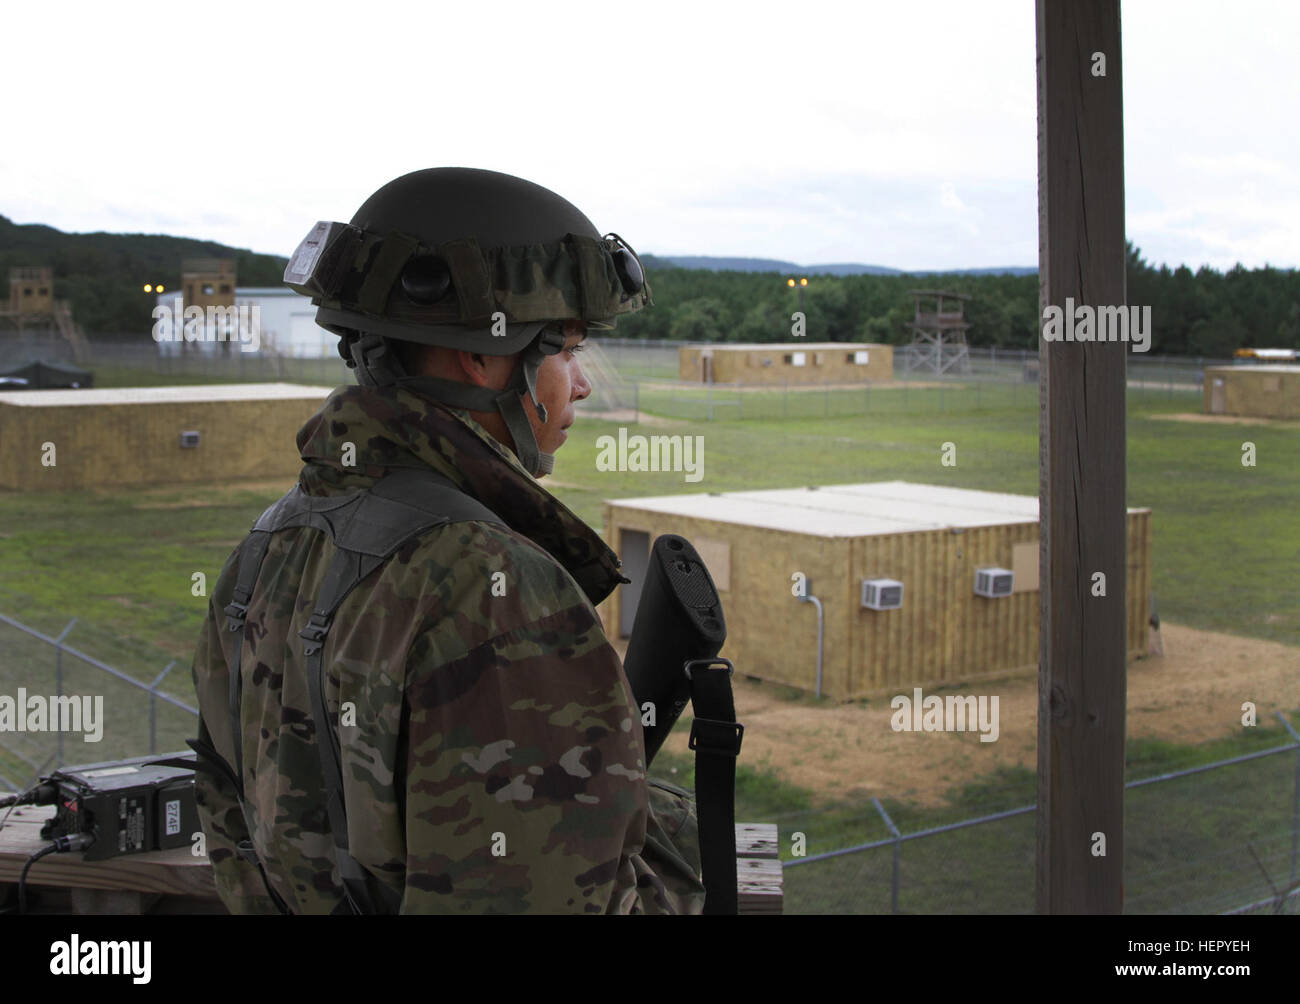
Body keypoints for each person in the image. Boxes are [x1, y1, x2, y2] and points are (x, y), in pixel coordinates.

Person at [189, 167, 706, 914]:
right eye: (566, 351)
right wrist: (678, 857)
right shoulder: (493, 590)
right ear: (483, 358)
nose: (581, 385)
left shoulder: (267, 547)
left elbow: (231, 826)